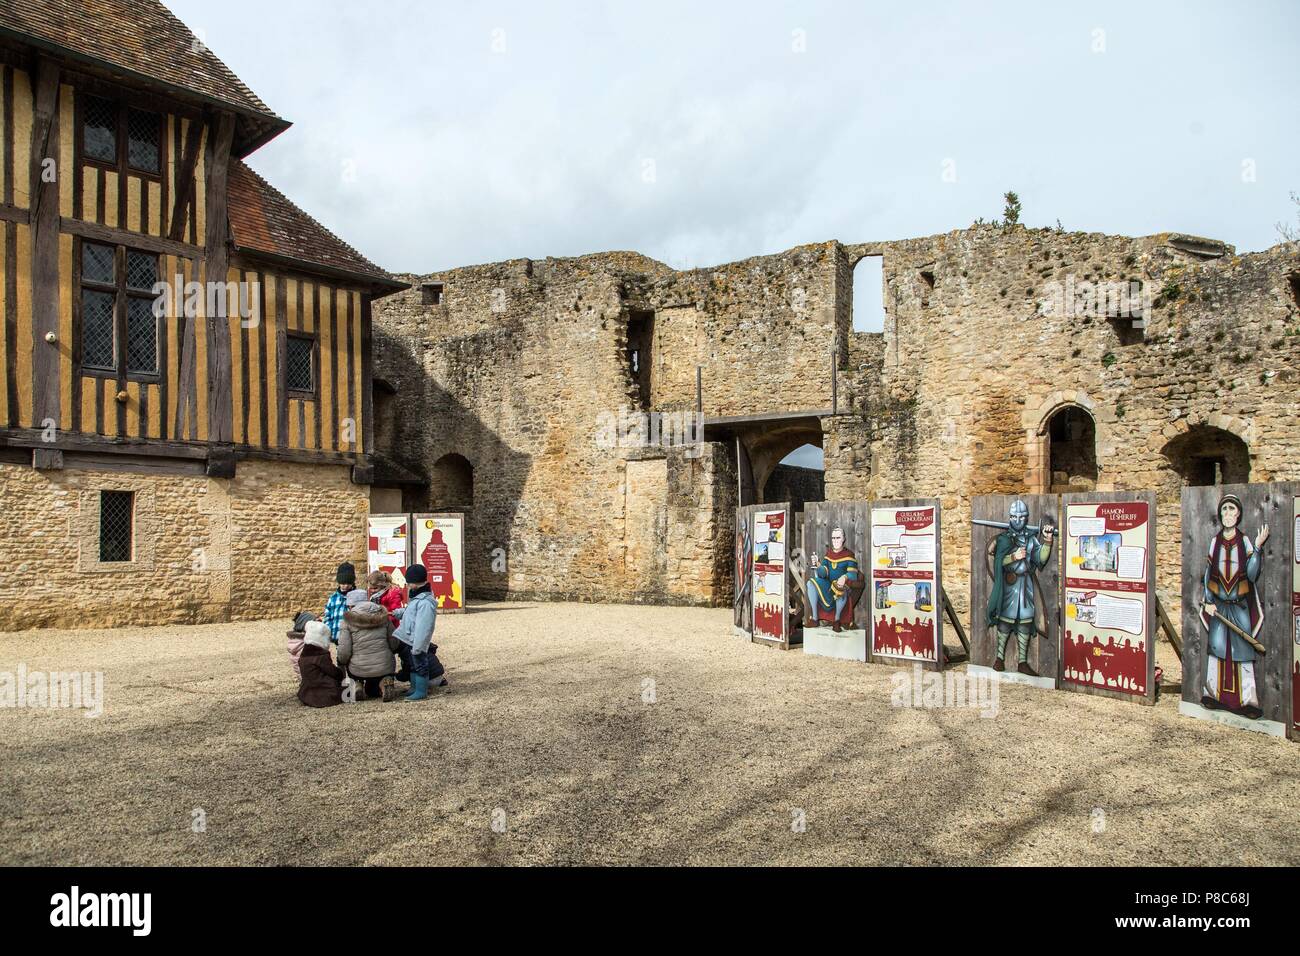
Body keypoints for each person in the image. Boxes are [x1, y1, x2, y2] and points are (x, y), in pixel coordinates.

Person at [1198, 493, 1268, 719]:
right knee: (1216, 648)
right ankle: (1212, 694)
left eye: (1232, 509)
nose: (1228, 514)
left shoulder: (1245, 541)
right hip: (1219, 604)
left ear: (1238, 514)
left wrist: (1256, 549)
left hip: (1239, 605)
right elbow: (1209, 573)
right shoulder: (1215, 541)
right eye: (1224, 509)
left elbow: (1251, 574)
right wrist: (1208, 600)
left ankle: (1248, 700)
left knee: (1243, 650)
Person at [986, 500, 1055, 675]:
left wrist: (1047, 542)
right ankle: (1000, 659)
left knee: (1025, 622)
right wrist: (1013, 557)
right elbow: (998, 562)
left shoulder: (1031, 539)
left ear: (1026, 518)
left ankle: (1022, 663)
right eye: (1014, 517)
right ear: (1010, 517)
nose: (1017, 520)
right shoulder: (1003, 539)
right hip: (1009, 585)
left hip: (1025, 585)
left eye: (1021, 517)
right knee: (1005, 621)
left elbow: (1040, 559)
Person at [392, 564, 447, 701]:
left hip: (417, 640)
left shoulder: (426, 602)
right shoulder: (417, 597)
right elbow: (411, 612)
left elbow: (424, 627)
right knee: (412, 664)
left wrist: (419, 646)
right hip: (410, 638)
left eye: (409, 583)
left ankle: (421, 691)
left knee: (420, 665)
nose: (408, 586)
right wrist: (398, 613)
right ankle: (414, 687)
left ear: (414, 583)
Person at [337, 589, 400, 702]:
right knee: (379, 679)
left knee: (352, 668)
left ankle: (357, 685)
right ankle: (384, 682)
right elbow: (394, 642)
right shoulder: (383, 616)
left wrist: (342, 661)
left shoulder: (346, 621)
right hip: (385, 666)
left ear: (351, 605)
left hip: (358, 669)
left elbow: (344, 651)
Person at [297, 620, 345, 708]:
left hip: (306, 693)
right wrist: (341, 673)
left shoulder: (303, 656)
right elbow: (333, 672)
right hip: (324, 692)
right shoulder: (320, 656)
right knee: (347, 690)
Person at [323, 562, 356, 644]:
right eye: (343, 583)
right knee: (340, 656)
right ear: (339, 582)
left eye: (348, 583)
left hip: (352, 636)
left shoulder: (357, 597)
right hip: (336, 635)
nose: (345, 586)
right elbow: (327, 616)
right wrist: (330, 630)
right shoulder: (333, 598)